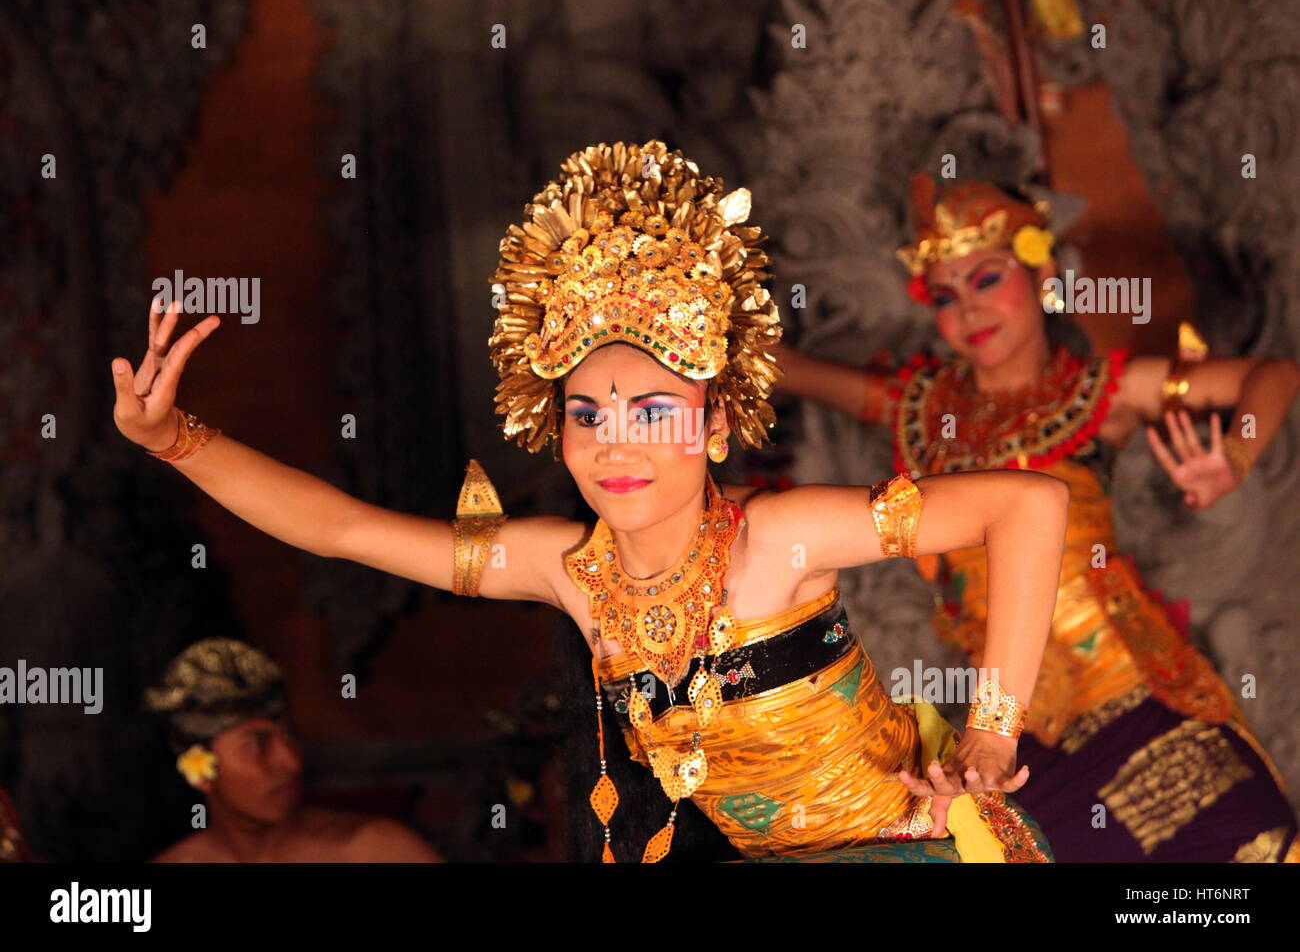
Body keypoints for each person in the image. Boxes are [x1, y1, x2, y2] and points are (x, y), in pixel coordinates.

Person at [111, 140, 1071, 862]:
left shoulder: (776, 541)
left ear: (715, 427)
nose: (617, 445)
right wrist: (173, 440)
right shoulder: (570, 573)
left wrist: (989, 736)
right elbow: (343, 529)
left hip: (911, 847)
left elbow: (1026, 507)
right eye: (588, 415)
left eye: (654, 412)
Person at [772, 175, 1300, 862]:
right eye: (945, 294)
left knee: (1245, 854)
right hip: (1022, 737)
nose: (969, 308)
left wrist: (1234, 453)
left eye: (987, 278)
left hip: (1141, 697)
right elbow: (786, 370)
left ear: (1042, 271)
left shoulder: (1097, 395)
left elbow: (1275, 378)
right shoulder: (917, 409)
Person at [144, 637, 440, 862]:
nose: (291, 761)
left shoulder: (375, 851)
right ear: (198, 769)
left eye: (290, 735)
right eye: (258, 744)